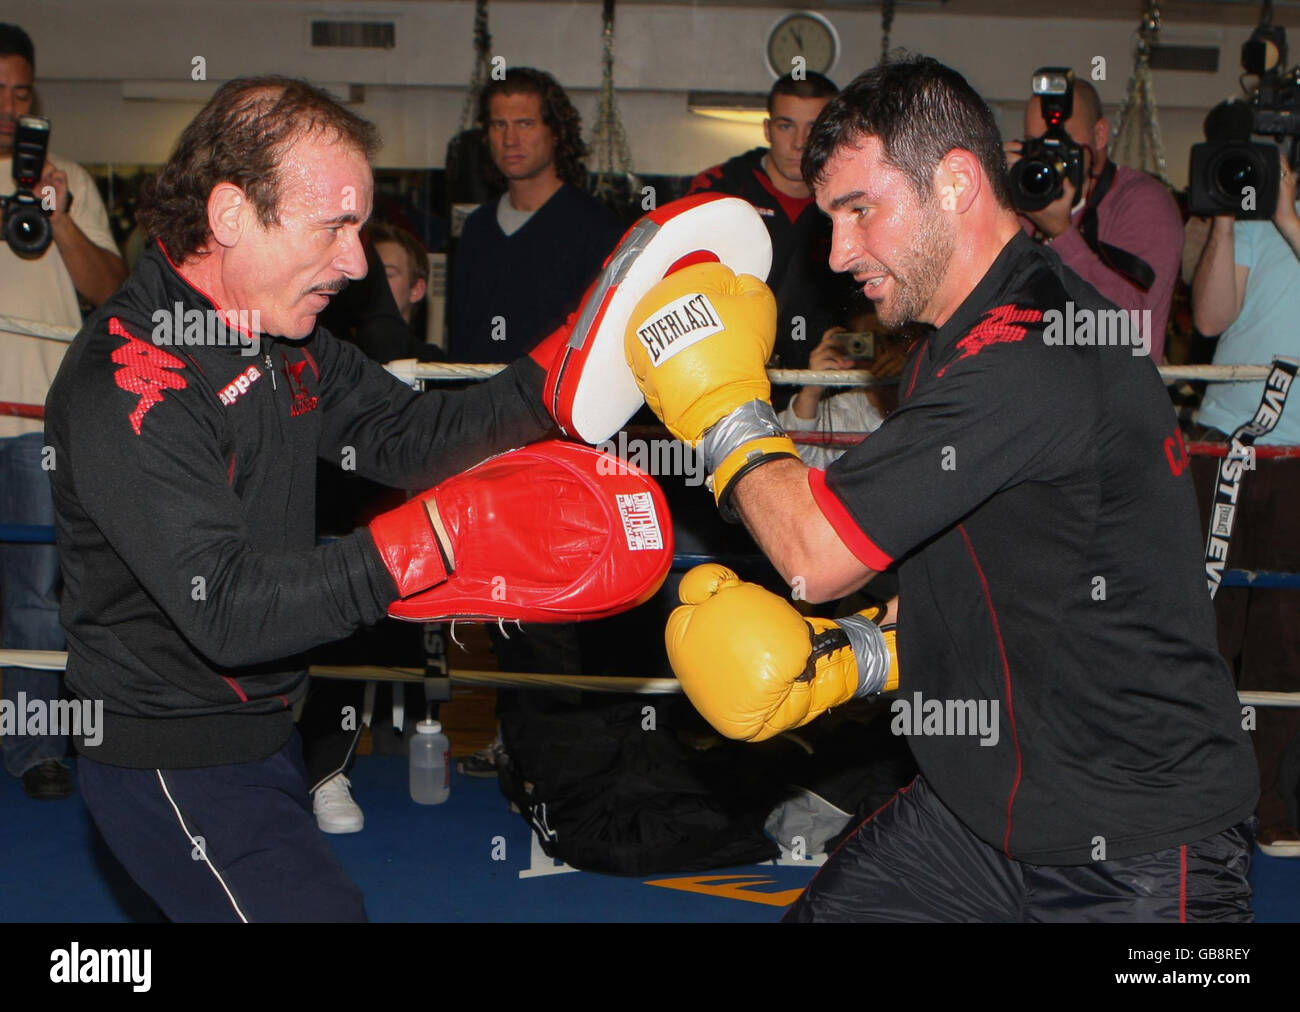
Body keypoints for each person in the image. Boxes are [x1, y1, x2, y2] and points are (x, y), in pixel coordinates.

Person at [626, 56, 1258, 921]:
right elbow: (983, 565)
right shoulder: (943, 345)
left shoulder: (1030, 354)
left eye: (859, 211)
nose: (839, 250)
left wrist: (723, 409)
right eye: (831, 217)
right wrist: (866, 657)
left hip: (1137, 843)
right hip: (978, 811)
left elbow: (813, 556)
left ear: (956, 182)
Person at [44, 76, 570, 921]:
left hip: (261, 735)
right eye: (333, 226)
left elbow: (407, 435)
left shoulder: (279, 338)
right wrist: (432, 539)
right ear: (229, 216)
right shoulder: (131, 380)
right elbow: (232, 608)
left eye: (358, 229)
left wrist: (561, 379)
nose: (357, 261)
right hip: (171, 760)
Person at [0, 23, 125, 800]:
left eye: (20, 93)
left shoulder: (68, 176)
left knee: (35, 601)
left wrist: (62, 214)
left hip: (34, 430)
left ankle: (35, 748)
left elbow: (112, 290)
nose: (9, 108)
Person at [1190, 156, 1300, 859]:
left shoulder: (1284, 221)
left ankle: (1268, 804)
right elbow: (1207, 317)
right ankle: (1188, 800)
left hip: (1298, 462)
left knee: (1283, 646)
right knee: (1203, 628)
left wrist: (1289, 216)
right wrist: (1228, 213)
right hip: (1223, 447)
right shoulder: (1256, 224)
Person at [448, 66, 621, 364]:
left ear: (554, 132)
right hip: (477, 402)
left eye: (525, 124)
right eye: (499, 125)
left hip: (551, 405)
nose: (510, 139)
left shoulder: (594, 228)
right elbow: (460, 333)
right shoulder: (477, 227)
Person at [1006, 76, 1182, 363]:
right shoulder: (1018, 203)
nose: (1048, 158)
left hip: (1109, 400)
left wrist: (1061, 234)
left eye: (1061, 144)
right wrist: (996, 203)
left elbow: (1136, 334)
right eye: (1034, 145)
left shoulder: (1141, 201)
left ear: (1100, 136)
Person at [688, 72, 855, 373]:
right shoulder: (719, 190)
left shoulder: (855, 200)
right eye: (785, 126)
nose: (800, 143)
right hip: (731, 378)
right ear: (767, 130)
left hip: (826, 387)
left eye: (814, 129)